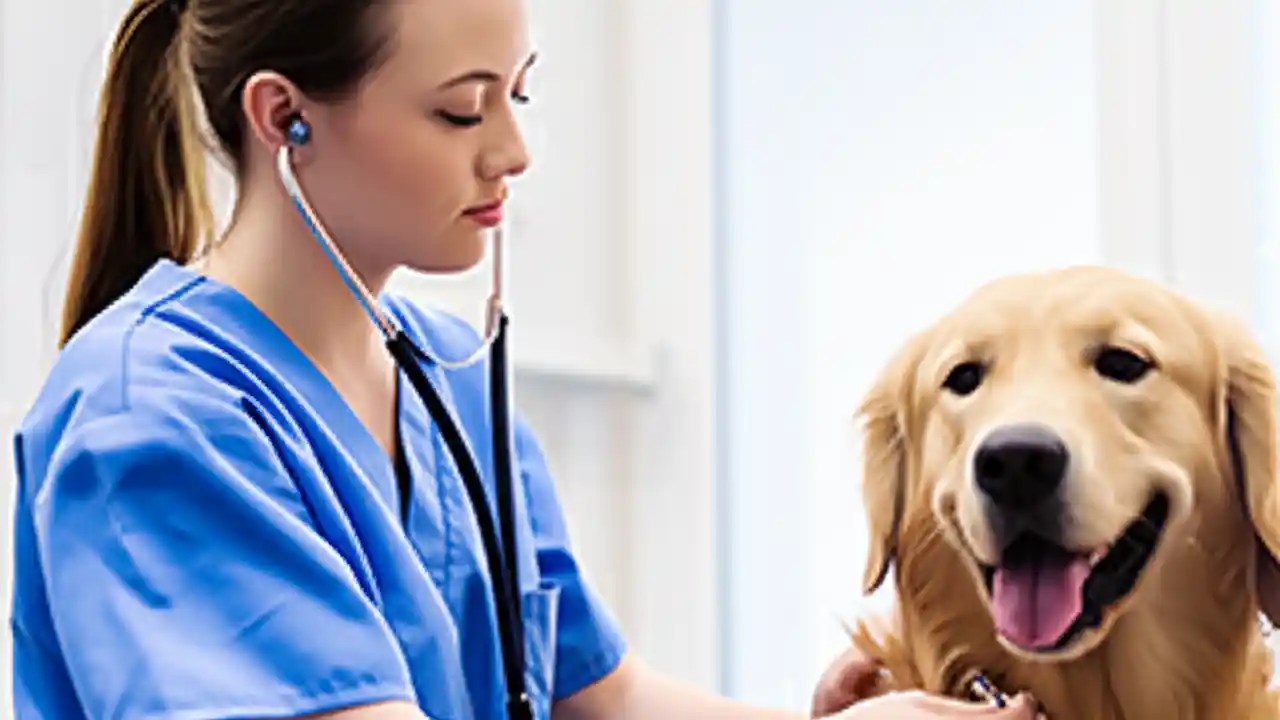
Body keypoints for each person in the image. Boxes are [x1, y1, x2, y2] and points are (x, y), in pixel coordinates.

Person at [8, 0, 1042, 718]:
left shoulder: (452, 377)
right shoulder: (151, 422)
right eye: (461, 107)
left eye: (520, 94)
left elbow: (601, 697)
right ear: (285, 118)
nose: (511, 148)